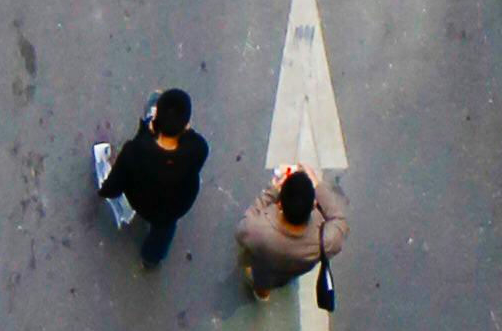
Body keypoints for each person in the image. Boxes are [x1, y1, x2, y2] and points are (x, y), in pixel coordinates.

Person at [91, 88, 209, 269]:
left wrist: (147, 131)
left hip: (142, 202)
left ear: (156, 120)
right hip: (174, 207)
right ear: (186, 125)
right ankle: (150, 259)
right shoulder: (198, 149)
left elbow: (113, 186)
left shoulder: (134, 152)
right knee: (163, 233)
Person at [236, 157, 345, 307]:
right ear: (313, 205)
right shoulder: (325, 241)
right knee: (283, 278)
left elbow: (241, 231)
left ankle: (262, 294)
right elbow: (339, 220)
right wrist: (317, 185)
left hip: (265, 268)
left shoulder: (258, 230)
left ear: (280, 205)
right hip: (293, 269)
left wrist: (270, 192)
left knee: (262, 281)